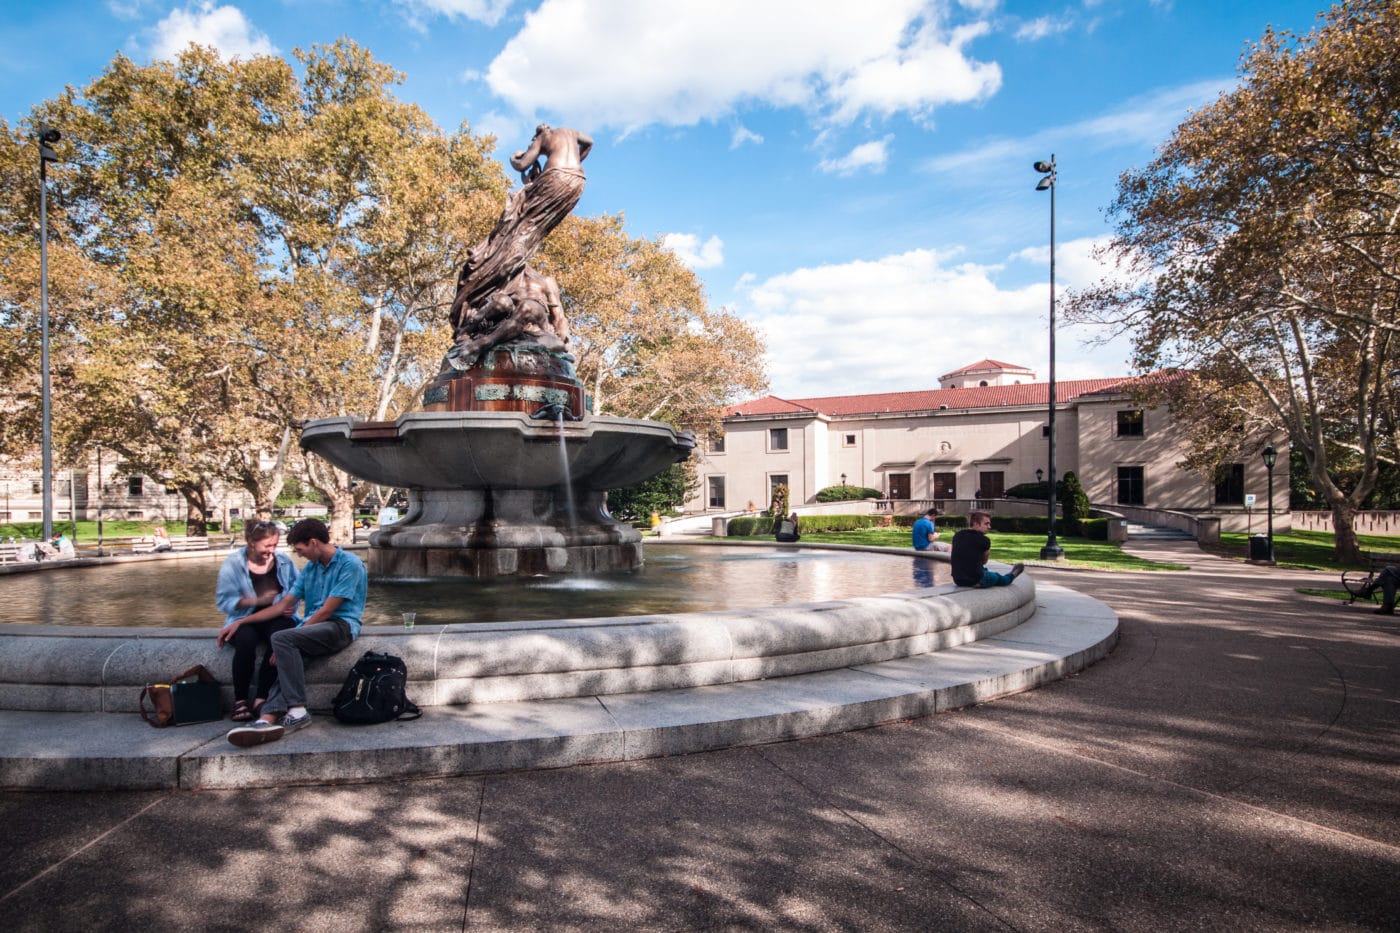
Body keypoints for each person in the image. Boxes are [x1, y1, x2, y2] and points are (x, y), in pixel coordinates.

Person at [222, 518, 367, 747]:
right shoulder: (311, 568)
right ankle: (267, 719)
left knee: (281, 638)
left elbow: (327, 611)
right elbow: (281, 606)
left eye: (300, 550)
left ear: (313, 542)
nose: (299, 555)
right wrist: (241, 622)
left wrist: (292, 637)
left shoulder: (350, 564)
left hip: (341, 627)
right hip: (315, 629)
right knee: (289, 660)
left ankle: (298, 711)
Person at [214, 521, 300, 722]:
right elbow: (223, 601)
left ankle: (262, 697)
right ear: (251, 542)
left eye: (275, 545)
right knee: (246, 642)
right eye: (267, 546)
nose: (271, 551)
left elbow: (299, 588)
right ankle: (240, 700)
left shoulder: (284, 561)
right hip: (243, 619)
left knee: (281, 639)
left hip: (278, 617)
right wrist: (256, 601)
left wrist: (290, 606)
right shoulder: (234, 563)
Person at [950, 510, 1025, 588]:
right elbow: (984, 561)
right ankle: (1012, 575)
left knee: (983, 570)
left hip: (958, 580)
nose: (989, 527)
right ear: (975, 524)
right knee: (998, 578)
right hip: (976, 579)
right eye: (986, 524)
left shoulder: (957, 535)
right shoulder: (984, 540)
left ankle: (982, 574)